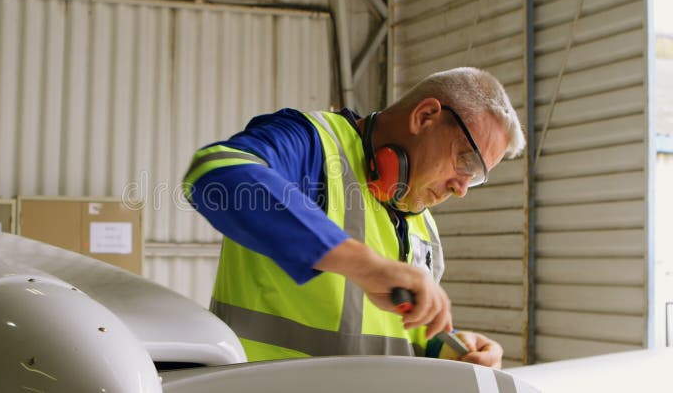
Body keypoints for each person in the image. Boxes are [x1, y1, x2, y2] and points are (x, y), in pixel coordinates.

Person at [182, 67, 526, 369]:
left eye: (477, 177)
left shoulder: (424, 227)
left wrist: (456, 350)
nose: (462, 188)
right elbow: (217, 173)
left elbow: (403, 334)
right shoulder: (313, 146)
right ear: (425, 116)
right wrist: (364, 264)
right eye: (466, 162)